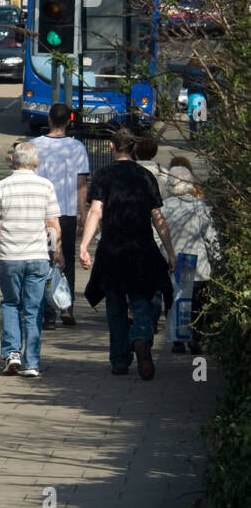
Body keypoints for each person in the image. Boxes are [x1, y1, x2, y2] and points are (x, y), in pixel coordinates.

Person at [80, 130, 176, 379]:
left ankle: (120, 360)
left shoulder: (103, 175)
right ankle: (141, 337)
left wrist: (84, 245)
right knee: (141, 298)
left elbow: (96, 211)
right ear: (133, 148)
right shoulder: (145, 176)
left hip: (112, 249)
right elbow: (157, 217)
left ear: (112, 146)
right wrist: (170, 251)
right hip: (142, 248)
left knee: (115, 305)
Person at [0, 141, 63, 378]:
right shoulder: (46, 186)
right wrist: (57, 252)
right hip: (38, 257)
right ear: (36, 163)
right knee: (33, 309)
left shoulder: (0, 187)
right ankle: (31, 363)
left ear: (12, 161)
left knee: (10, 303)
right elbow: (52, 224)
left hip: (9, 257)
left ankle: (11, 354)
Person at [29, 103, 89, 328]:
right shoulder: (77, 148)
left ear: (49, 119)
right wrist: (83, 214)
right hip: (66, 212)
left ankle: (48, 314)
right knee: (67, 261)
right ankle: (66, 305)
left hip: (41, 213)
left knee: (44, 260)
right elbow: (81, 184)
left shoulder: (34, 146)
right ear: (68, 121)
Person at [160, 165, 217, 354]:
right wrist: (217, 256)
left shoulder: (164, 207)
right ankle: (195, 336)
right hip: (196, 259)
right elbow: (210, 235)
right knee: (196, 301)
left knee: (174, 300)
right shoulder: (198, 206)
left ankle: (177, 339)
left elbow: (157, 234)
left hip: (173, 258)